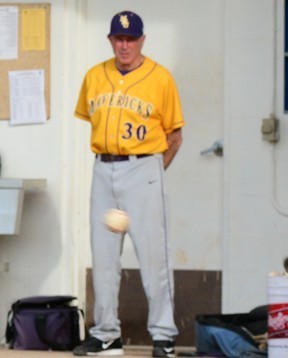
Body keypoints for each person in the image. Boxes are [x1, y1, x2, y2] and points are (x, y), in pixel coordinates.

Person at [72, 10, 183, 358]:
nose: (124, 45)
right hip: (103, 168)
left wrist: (152, 174)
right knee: (103, 257)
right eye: (119, 38)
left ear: (142, 40)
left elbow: (175, 136)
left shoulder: (160, 78)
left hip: (143, 166)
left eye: (131, 39)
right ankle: (106, 335)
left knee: (153, 257)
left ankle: (163, 336)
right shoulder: (94, 76)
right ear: (110, 40)